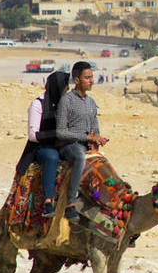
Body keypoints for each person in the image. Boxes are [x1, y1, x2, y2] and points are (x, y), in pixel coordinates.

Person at [55, 61, 109, 223]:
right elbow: (60, 132)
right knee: (79, 156)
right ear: (77, 80)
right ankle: (70, 204)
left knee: (103, 164)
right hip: (69, 146)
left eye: (92, 77)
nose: (91, 80)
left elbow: (95, 126)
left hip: (88, 145)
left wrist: (98, 139)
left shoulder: (91, 102)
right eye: (87, 77)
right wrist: (87, 138)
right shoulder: (67, 101)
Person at [14, 70, 69, 218]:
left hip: (61, 144)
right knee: (52, 157)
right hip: (41, 147)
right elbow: (33, 135)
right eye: (65, 87)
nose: (67, 90)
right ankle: (47, 202)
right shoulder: (37, 105)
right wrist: (56, 134)